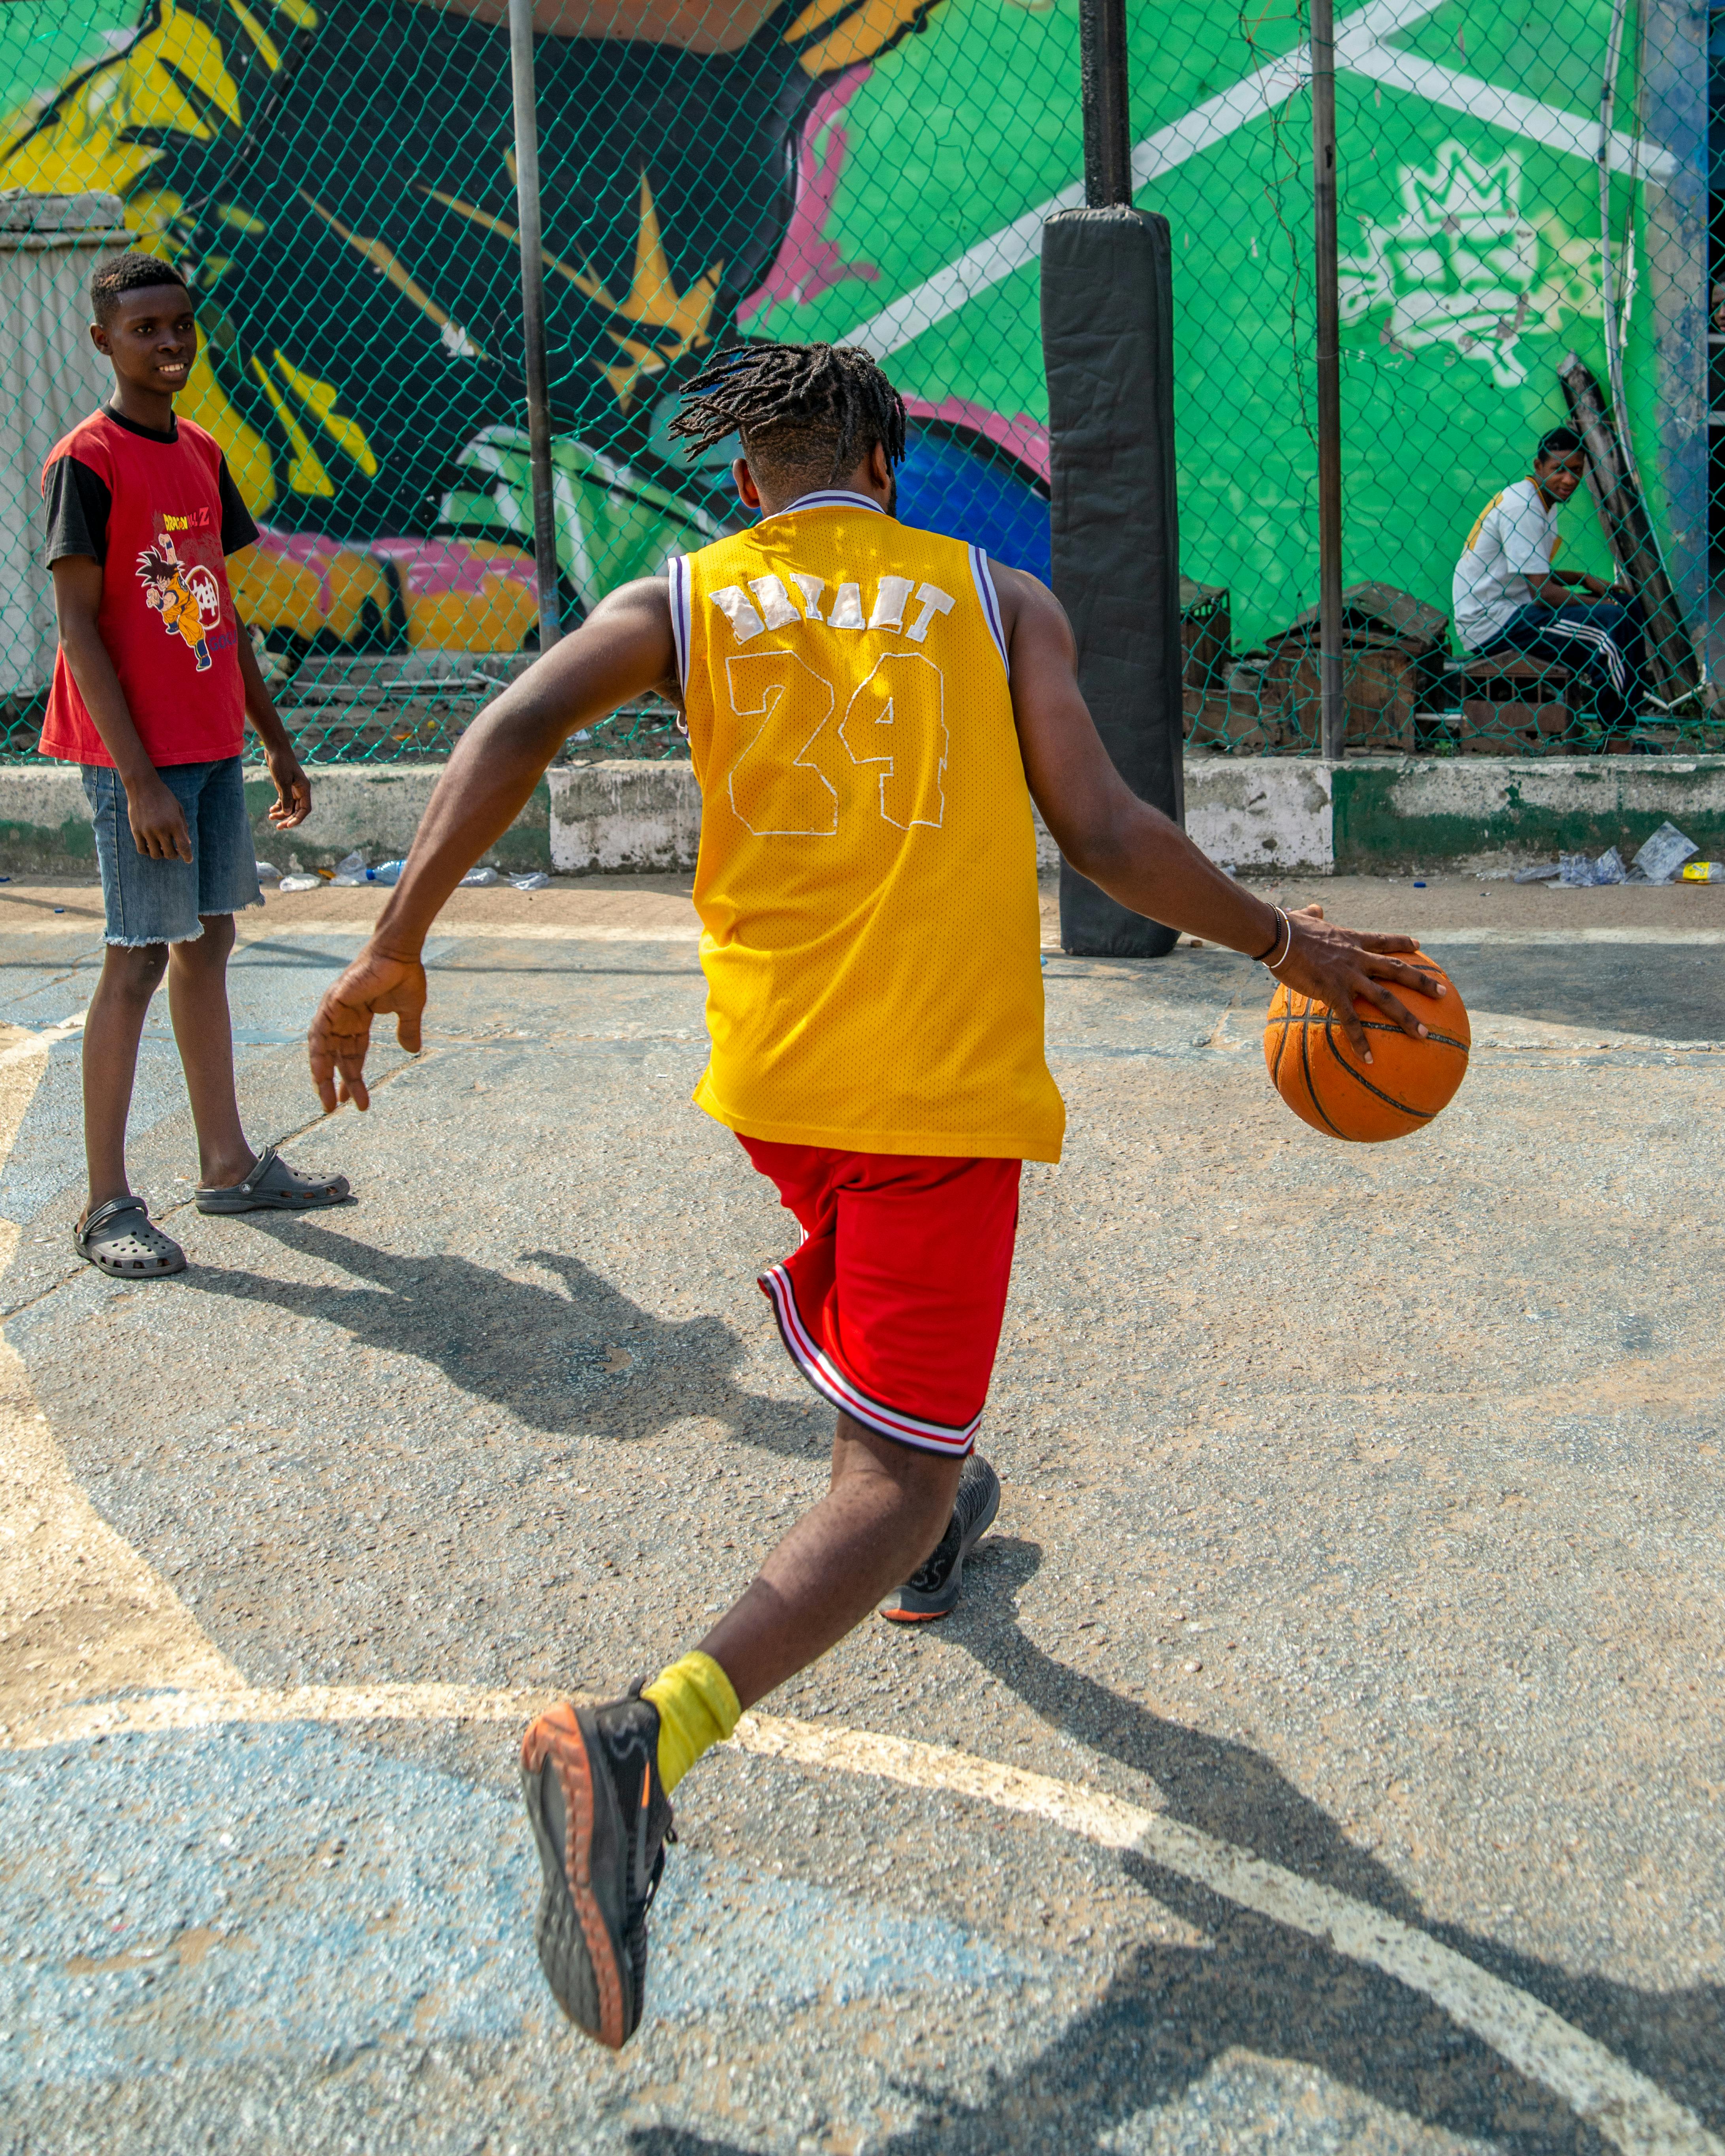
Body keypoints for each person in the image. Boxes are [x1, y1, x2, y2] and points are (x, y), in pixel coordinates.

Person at [305, 342, 1439, 2051]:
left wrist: (395, 936)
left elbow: (513, 720)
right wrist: (1290, 940)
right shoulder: (995, 602)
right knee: (886, 1473)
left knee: (903, 1382)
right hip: (929, 1091)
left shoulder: (683, 595)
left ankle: (948, 1510)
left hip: (771, 1083)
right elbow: (1105, 828)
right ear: (885, 466)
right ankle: (641, 1736)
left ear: (748, 478)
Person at [45, 249, 352, 1281]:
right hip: (139, 755)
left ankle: (226, 1164)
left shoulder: (203, 450)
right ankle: (107, 1204)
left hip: (212, 740)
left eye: (180, 325)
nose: (169, 343)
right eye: (145, 330)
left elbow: (222, 609)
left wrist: (273, 736)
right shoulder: (84, 462)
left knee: (207, 944)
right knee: (135, 955)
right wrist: (134, 780)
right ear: (103, 342)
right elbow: (81, 630)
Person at [1452, 426, 1646, 737]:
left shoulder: (1543, 500)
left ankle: (1623, 721)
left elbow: (1531, 570)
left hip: (1517, 608)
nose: (1569, 480)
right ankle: (1618, 738)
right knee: (1609, 625)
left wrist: (1583, 578)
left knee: (1627, 607)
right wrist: (1599, 604)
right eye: (1559, 470)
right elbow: (1543, 592)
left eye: (1577, 471)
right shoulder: (1523, 507)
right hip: (1493, 623)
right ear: (1538, 467)